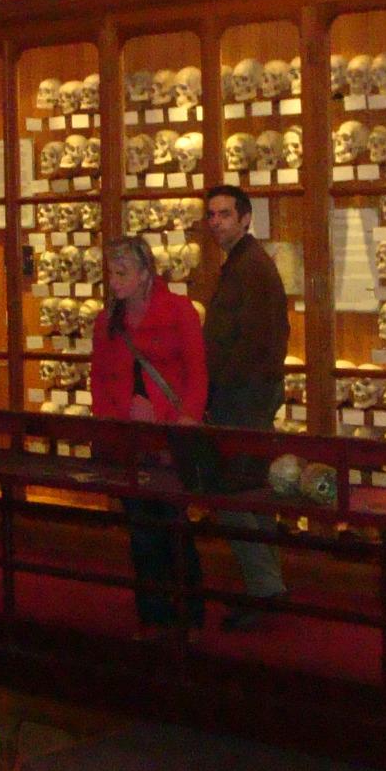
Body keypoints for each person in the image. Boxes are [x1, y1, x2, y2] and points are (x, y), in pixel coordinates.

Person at [89, 235, 209, 637]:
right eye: (112, 273)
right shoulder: (108, 320)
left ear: (144, 274)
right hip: (130, 440)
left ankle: (189, 610)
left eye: (122, 273)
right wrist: (111, 422)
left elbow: (196, 373)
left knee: (174, 525)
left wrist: (183, 421)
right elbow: (100, 377)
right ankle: (154, 612)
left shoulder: (178, 311)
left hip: (169, 437)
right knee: (141, 529)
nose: (114, 281)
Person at [196, 184, 292, 631]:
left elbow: (252, 342)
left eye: (225, 215)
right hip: (243, 396)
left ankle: (265, 587)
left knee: (233, 493)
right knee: (250, 493)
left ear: (246, 218)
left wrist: (219, 391)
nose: (216, 223)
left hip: (243, 399)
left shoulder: (251, 268)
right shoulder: (241, 264)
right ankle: (268, 583)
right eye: (211, 215)